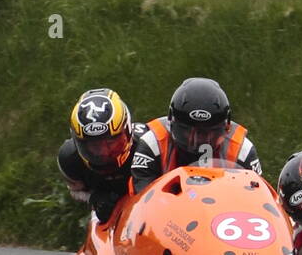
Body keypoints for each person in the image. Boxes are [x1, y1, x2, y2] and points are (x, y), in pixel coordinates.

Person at [129, 77, 262, 187]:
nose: (197, 141)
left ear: (226, 128)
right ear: (172, 123)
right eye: (188, 132)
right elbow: (142, 197)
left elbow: (256, 199)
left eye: (207, 133)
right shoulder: (153, 143)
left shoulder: (242, 151)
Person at [56, 87, 140, 223]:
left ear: (128, 131)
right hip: (108, 217)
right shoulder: (70, 159)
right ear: (78, 143)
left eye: (111, 142)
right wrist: (94, 198)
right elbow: (75, 191)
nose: (104, 152)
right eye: (94, 146)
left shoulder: (147, 143)